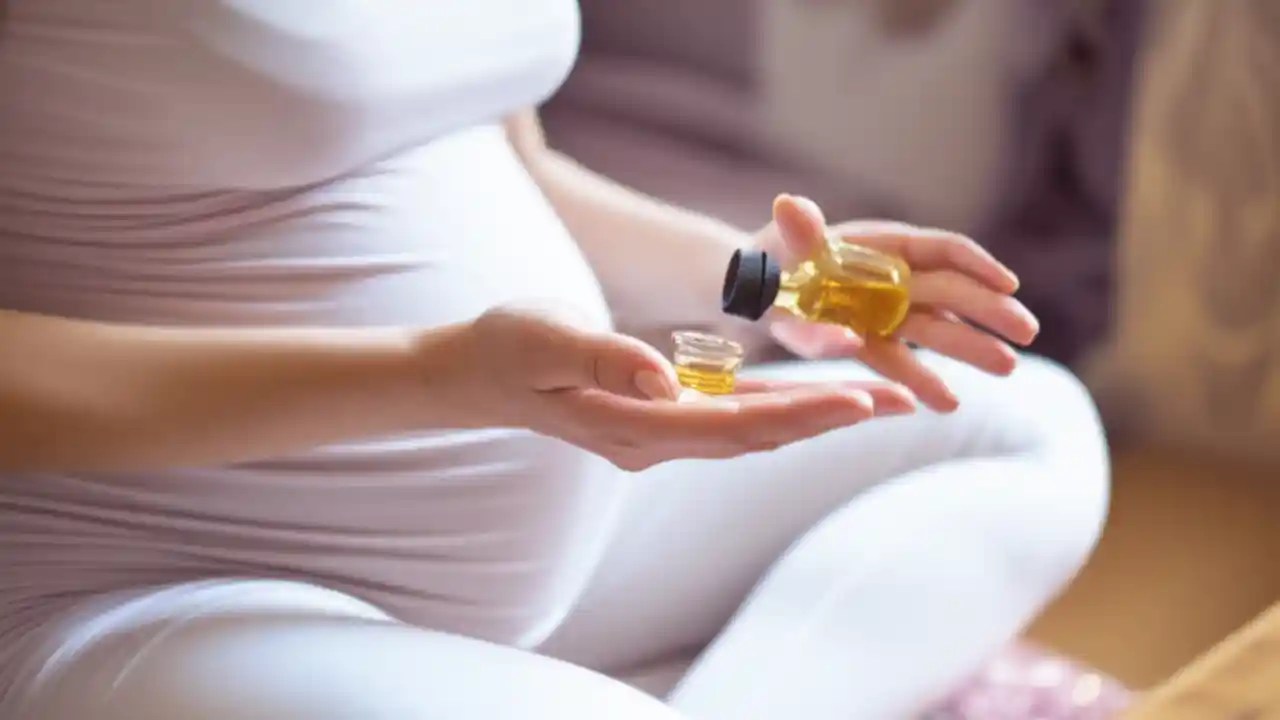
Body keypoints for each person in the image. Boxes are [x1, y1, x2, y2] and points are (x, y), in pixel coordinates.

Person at [0, 2, 1109, 718]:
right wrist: (429, 378)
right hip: (147, 588)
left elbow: (498, 151)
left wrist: (769, 282)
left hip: (559, 529)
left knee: (1027, 427)